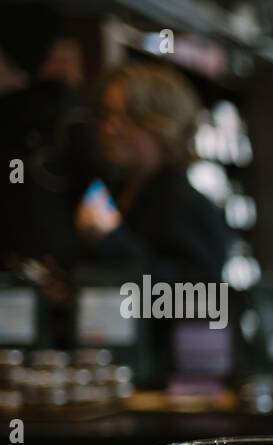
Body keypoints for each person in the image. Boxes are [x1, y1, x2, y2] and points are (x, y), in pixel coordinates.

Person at [0, 1, 96, 282]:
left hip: (49, 313)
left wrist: (72, 279)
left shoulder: (66, 127)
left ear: (9, 52)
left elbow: (107, 233)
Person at [76, 60, 228, 284]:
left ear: (161, 125)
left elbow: (195, 295)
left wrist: (111, 241)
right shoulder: (116, 189)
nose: (110, 128)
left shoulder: (186, 205)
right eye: (107, 115)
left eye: (127, 118)